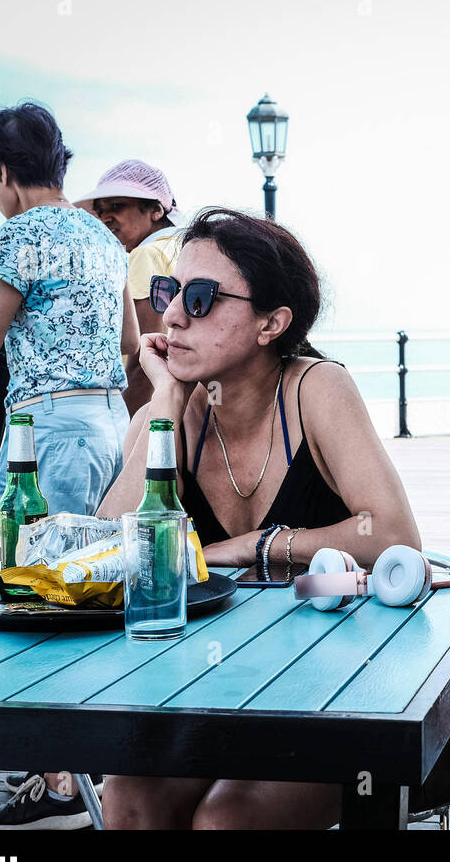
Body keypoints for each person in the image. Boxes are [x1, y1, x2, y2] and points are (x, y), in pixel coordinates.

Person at [97, 207, 421, 829]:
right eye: (168, 293)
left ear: (272, 322)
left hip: (338, 687)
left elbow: (392, 536)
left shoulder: (315, 391)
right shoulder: (175, 414)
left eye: (200, 298)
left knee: (226, 822)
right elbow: (112, 549)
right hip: (216, 688)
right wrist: (164, 402)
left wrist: (254, 545)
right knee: (131, 799)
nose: (170, 316)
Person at [0, 101, 136, 829]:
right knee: (91, 579)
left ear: (6, 173)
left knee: (46, 592)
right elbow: (131, 341)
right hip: (108, 421)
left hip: (51, 427)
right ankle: (81, 759)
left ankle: (60, 779)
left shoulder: (20, 234)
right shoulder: (105, 240)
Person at [75, 160, 183, 415]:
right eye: (100, 211)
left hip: (152, 408)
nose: (105, 218)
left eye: (117, 206)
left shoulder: (145, 255)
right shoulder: (184, 247)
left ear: (156, 210)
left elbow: (145, 358)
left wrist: (126, 433)